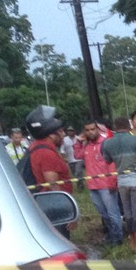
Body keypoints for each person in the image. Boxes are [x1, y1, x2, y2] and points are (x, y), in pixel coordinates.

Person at [24, 105, 74, 238]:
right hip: (54, 210)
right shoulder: (46, 153)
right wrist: (68, 212)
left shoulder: (37, 147)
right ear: (51, 133)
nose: (63, 135)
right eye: (60, 131)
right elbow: (54, 187)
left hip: (45, 206)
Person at [103, 116, 136, 254]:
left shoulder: (108, 143)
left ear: (115, 127)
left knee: (127, 213)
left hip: (122, 181)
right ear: (129, 127)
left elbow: (107, 160)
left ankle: (132, 243)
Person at [74, 121, 123, 246]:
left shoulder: (106, 143)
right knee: (104, 214)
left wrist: (112, 182)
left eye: (92, 129)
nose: (90, 132)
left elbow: (112, 164)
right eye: (87, 130)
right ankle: (110, 236)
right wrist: (79, 141)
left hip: (106, 186)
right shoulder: (87, 145)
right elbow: (77, 155)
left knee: (113, 213)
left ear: (98, 129)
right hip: (93, 186)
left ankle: (118, 239)